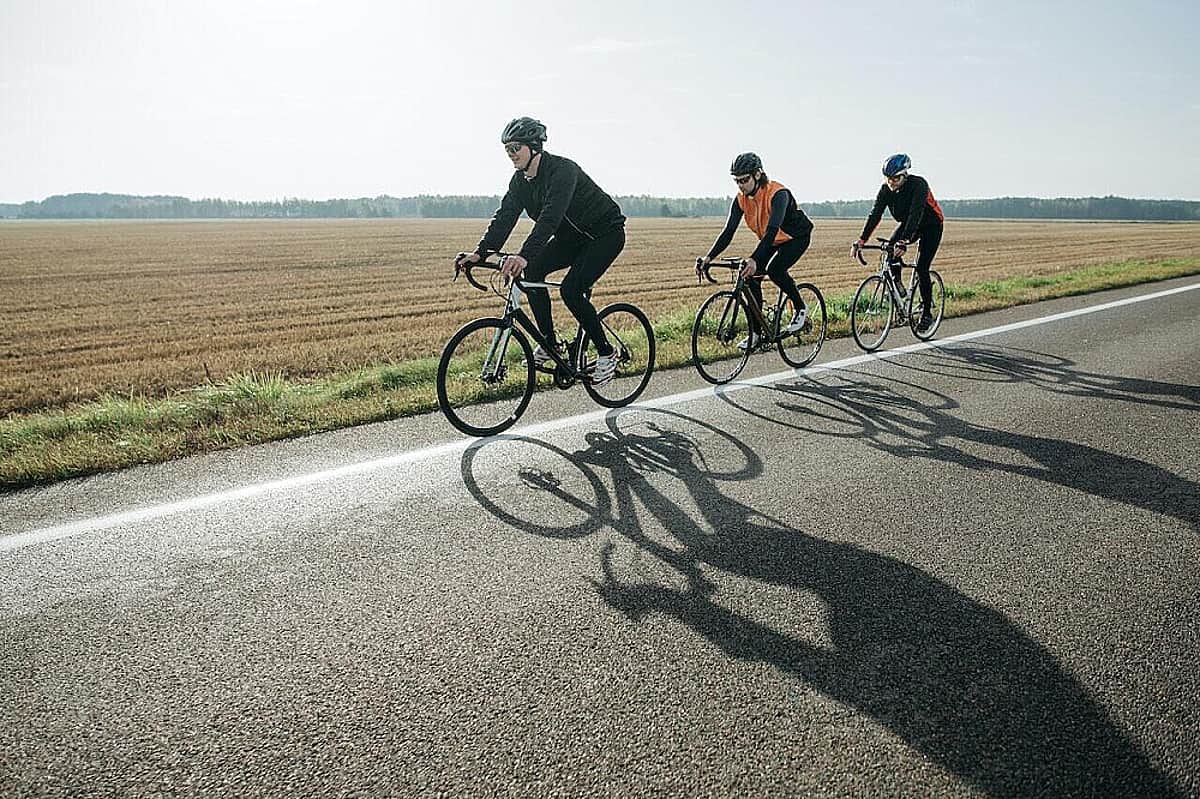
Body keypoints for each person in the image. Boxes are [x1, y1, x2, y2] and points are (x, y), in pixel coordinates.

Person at [455, 117, 626, 385]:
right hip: (571, 239)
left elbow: (550, 218)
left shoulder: (562, 171)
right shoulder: (520, 182)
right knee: (533, 272)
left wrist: (523, 255)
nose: (511, 155)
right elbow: (505, 217)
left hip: (605, 235)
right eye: (507, 149)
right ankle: (550, 344)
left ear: (534, 147)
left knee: (571, 290)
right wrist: (480, 253)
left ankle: (607, 353)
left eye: (515, 148)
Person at [697, 152, 815, 351]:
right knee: (750, 278)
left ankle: (801, 309)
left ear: (758, 174)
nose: (741, 185)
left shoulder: (778, 194)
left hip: (796, 237)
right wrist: (709, 257)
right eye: (736, 181)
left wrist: (754, 259)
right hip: (772, 241)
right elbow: (728, 231)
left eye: (744, 180)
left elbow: (771, 230)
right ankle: (756, 333)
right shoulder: (741, 199)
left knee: (775, 270)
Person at [851, 153, 944, 333]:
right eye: (888, 178)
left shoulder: (918, 184)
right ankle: (898, 285)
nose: (891, 182)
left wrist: (904, 241)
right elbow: (875, 214)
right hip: (908, 224)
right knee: (890, 251)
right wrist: (862, 239)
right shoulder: (885, 190)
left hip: (931, 225)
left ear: (905, 174)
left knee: (922, 268)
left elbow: (915, 213)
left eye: (895, 178)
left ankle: (926, 314)